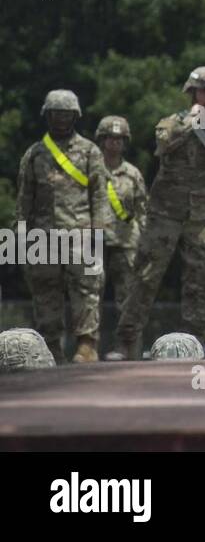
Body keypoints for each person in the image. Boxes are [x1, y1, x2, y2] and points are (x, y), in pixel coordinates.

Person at [111, 67, 205, 359]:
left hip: (202, 215)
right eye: (202, 92)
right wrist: (192, 121)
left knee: (201, 280)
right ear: (192, 93)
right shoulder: (173, 123)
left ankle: (193, 343)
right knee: (146, 275)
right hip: (165, 212)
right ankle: (126, 341)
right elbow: (164, 143)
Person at [14, 90, 112, 362]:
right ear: (47, 115)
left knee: (86, 289)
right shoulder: (34, 154)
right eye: (55, 113)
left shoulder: (90, 151)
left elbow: (99, 193)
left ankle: (86, 344)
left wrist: (99, 230)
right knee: (45, 291)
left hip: (81, 233)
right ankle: (50, 345)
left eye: (65, 114)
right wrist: (21, 234)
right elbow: (25, 197)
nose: (60, 119)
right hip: (43, 235)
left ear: (75, 116)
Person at [93, 115, 145, 324]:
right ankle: (88, 346)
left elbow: (142, 209)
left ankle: (127, 347)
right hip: (93, 241)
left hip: (125, 242)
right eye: (110, 138)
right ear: (102, 140)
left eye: (119, 139)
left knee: (128, 298)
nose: (115, 142)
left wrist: (145, 241)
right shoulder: (89, 170)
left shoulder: (133, 174)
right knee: (89, 297)